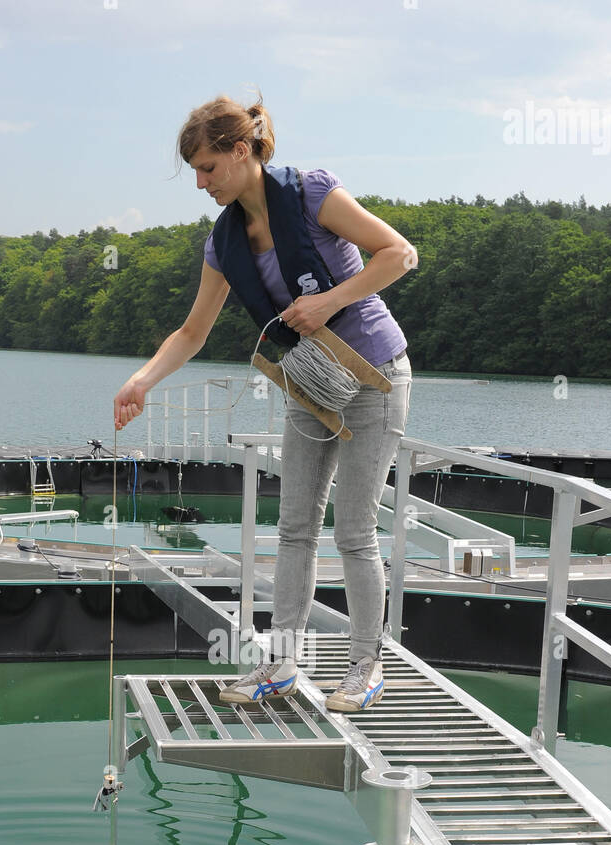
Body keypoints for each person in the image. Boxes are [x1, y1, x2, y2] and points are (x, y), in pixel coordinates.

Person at [114, 92, 417, 712]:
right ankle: (281, 666)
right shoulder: (222, 243)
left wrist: (329, 302)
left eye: (208, 168)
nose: (200, 183)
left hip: (375, 376)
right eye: (195, 171)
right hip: (310, 383)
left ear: (243, 151)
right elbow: (193, 331)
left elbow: (399, 254)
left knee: (355, 530)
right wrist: (142, 380)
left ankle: (366, 667)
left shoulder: (310, 195)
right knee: (296, 527)